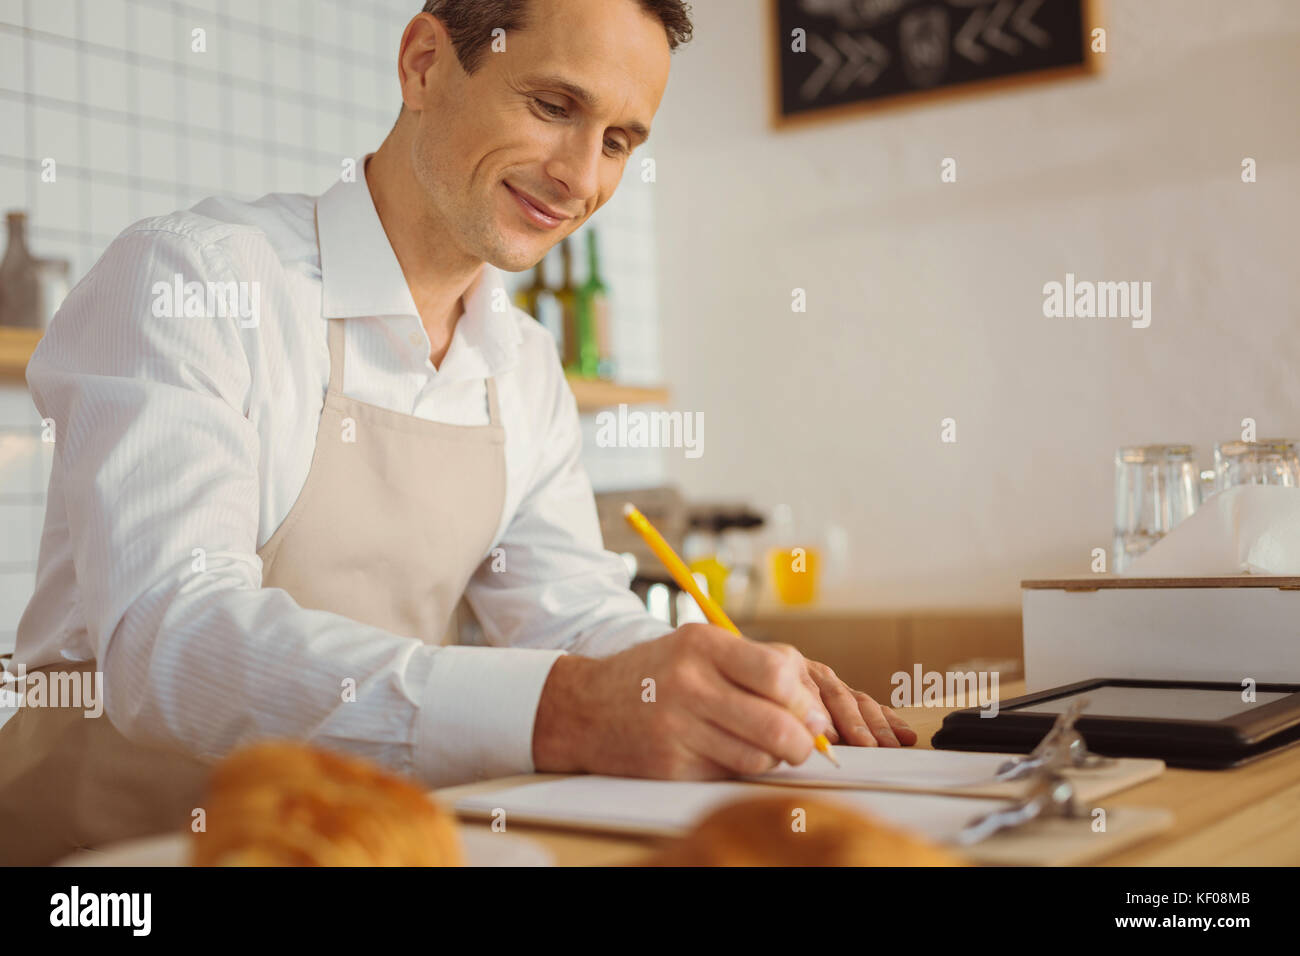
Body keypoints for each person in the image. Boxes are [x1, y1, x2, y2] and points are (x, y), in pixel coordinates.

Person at [0, 0, 913, 866]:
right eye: (556, 106)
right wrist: (562, 711)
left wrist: (723, 688)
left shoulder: (521, 365)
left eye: (620, 142)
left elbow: (570, 614)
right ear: (425, 64)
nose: (583, 177)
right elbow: (173, 639)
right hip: (104, 857)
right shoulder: (194, 283)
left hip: (362, 845)